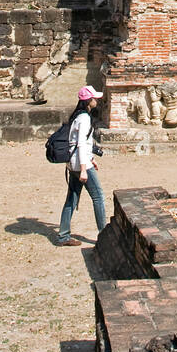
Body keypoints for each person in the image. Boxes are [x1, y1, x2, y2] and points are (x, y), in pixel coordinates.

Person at [57, 86, 107, 247]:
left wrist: (91, 158)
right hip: (79, 164)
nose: (96, 100)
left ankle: (63, 236)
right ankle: (104, 234)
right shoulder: (84, 118)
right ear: (88, 101)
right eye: (94, 98)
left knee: (72, 198)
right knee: (98, 196)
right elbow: (79, 144)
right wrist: (84, 169)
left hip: (75, 163)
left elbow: (82, 143)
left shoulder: (77, 116)